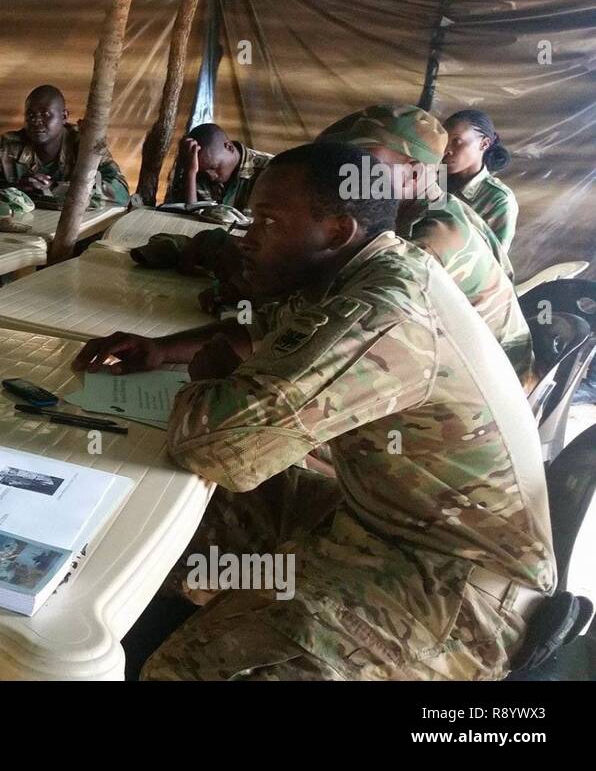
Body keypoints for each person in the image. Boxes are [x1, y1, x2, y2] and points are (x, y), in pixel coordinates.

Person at [74, 142, 553, 680]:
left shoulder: (383, 310)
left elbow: (218, 446)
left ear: (336, 231)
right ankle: (106, 631)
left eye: (268, 221)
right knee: (158, 523)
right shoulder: (369, 264)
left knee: (183, 671)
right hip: (381, 518)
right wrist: (166, 349)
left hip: (450, 590)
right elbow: (266, 330)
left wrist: (209, 378)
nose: (247, 238)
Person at [318, 104, 531, 381]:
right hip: (454, 356)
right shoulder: (425, 205)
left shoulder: (433, 239)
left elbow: (352, 332)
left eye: (367, 164)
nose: (351, 176)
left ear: (415, 174)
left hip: (486, 382)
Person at [0, 85, 131, 206]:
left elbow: (121, 192)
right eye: (31, 115)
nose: (36, 121)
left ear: (64, 116)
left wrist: (57, 189)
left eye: (45, 114)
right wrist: (13, 187)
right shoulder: (8, 145)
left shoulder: (85, 145)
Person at [443, 109, 519, 253]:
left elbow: (496, 261)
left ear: (484, 144)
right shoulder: (434, 180)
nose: (446, 149)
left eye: (456, 141)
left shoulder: (498, 199)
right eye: (444, 141)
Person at [163, 122, 272, 212]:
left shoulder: (270, 170)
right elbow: (188, 216)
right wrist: (190, 173)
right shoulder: (197, 170)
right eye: (204, 171)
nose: (211, 175)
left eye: (213, 167)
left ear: (229, 147)